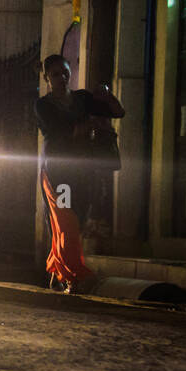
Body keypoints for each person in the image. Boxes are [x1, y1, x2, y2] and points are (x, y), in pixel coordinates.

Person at [34, 53, 124, 292]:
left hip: (83, 170)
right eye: (56, 74)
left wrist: (106, 95)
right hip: (58, 173)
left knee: (78, 219)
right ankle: (72, 275)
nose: (62, 78)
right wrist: (92, 124)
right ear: (47, 78)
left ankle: (59, 270)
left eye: (65, 72)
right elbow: (65, 133)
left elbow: (118, 111)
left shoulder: (82, 98)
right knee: (65, 222)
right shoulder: (43, 105)